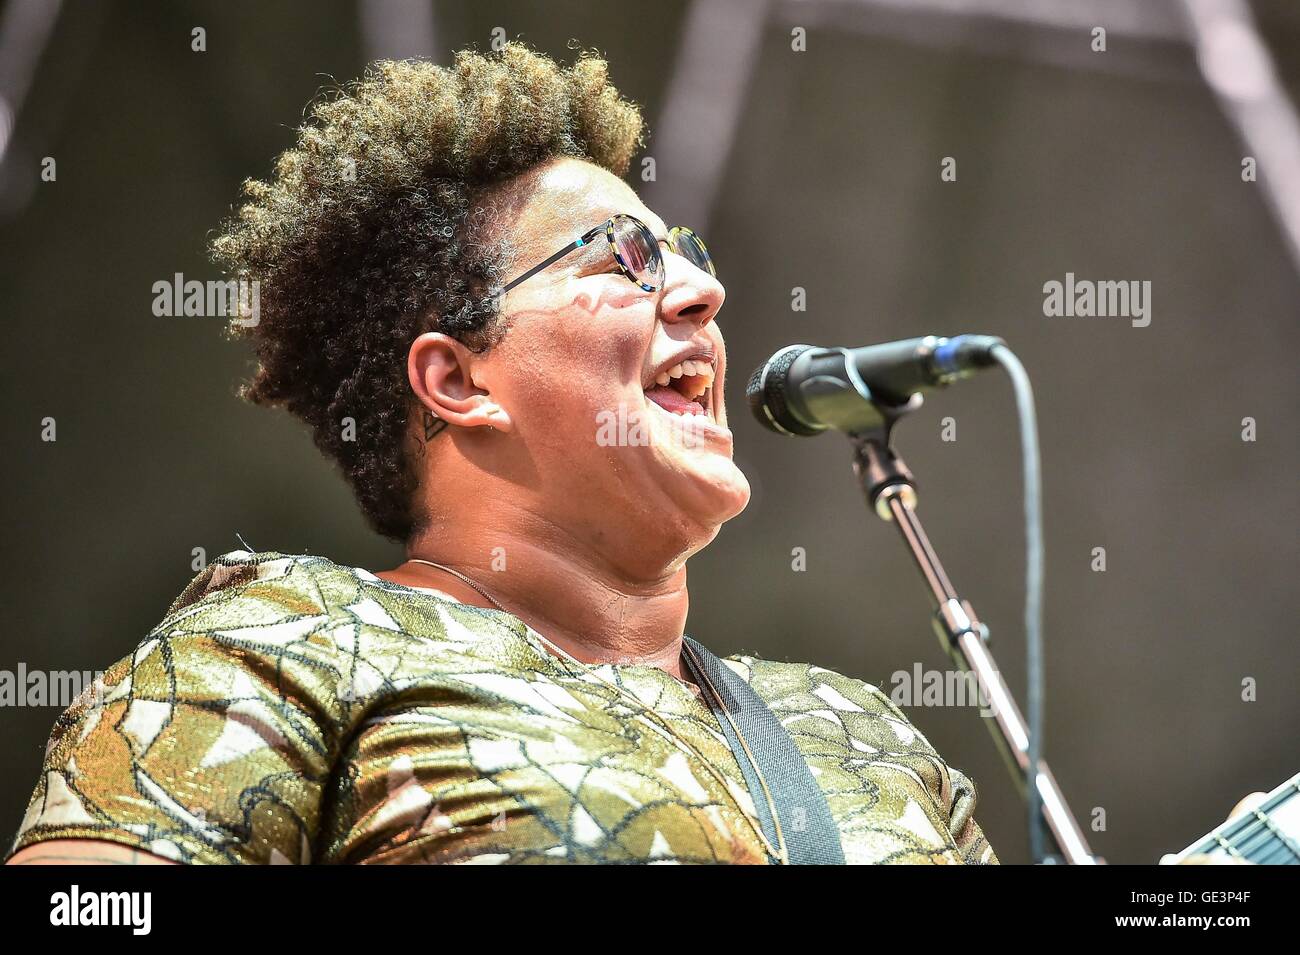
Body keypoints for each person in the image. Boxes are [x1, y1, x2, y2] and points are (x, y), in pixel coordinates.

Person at [5, 43, 998, 865]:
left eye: (691, 255)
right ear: (459, 380)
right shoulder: (288, 642)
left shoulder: (858, 728)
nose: (704, 293)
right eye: (625, 259)